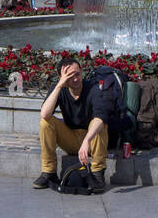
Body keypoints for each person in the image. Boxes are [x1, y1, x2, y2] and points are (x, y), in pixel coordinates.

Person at [32, 57, 109, 193]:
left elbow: (100, 118)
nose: (75, 79)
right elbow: (44, 114)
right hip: (71, 139)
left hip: (91, 140)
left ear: (82, 72)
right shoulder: (60, 88)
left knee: (98, 123)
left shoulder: (94, 88)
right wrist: (59, 86)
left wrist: (86, 141)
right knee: (45, 122)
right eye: (69, 76)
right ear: (61, 77)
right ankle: (48, 172)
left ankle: (97, 173)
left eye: (77, 74)